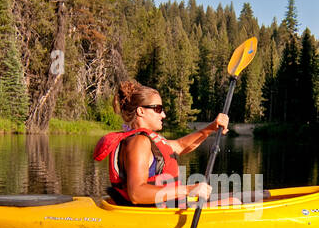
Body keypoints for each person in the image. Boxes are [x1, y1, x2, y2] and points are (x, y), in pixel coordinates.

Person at [92, 80, 240, 206]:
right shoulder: (139, 142)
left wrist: (210, 128)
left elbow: (181, 146)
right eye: (158, 109)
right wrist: (188, 190)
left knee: (248, 196)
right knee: (235, 202)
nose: (163, 114)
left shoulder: (149, 140)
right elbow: (136, 194)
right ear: (140, 111)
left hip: (166, 206)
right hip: (150, 213)